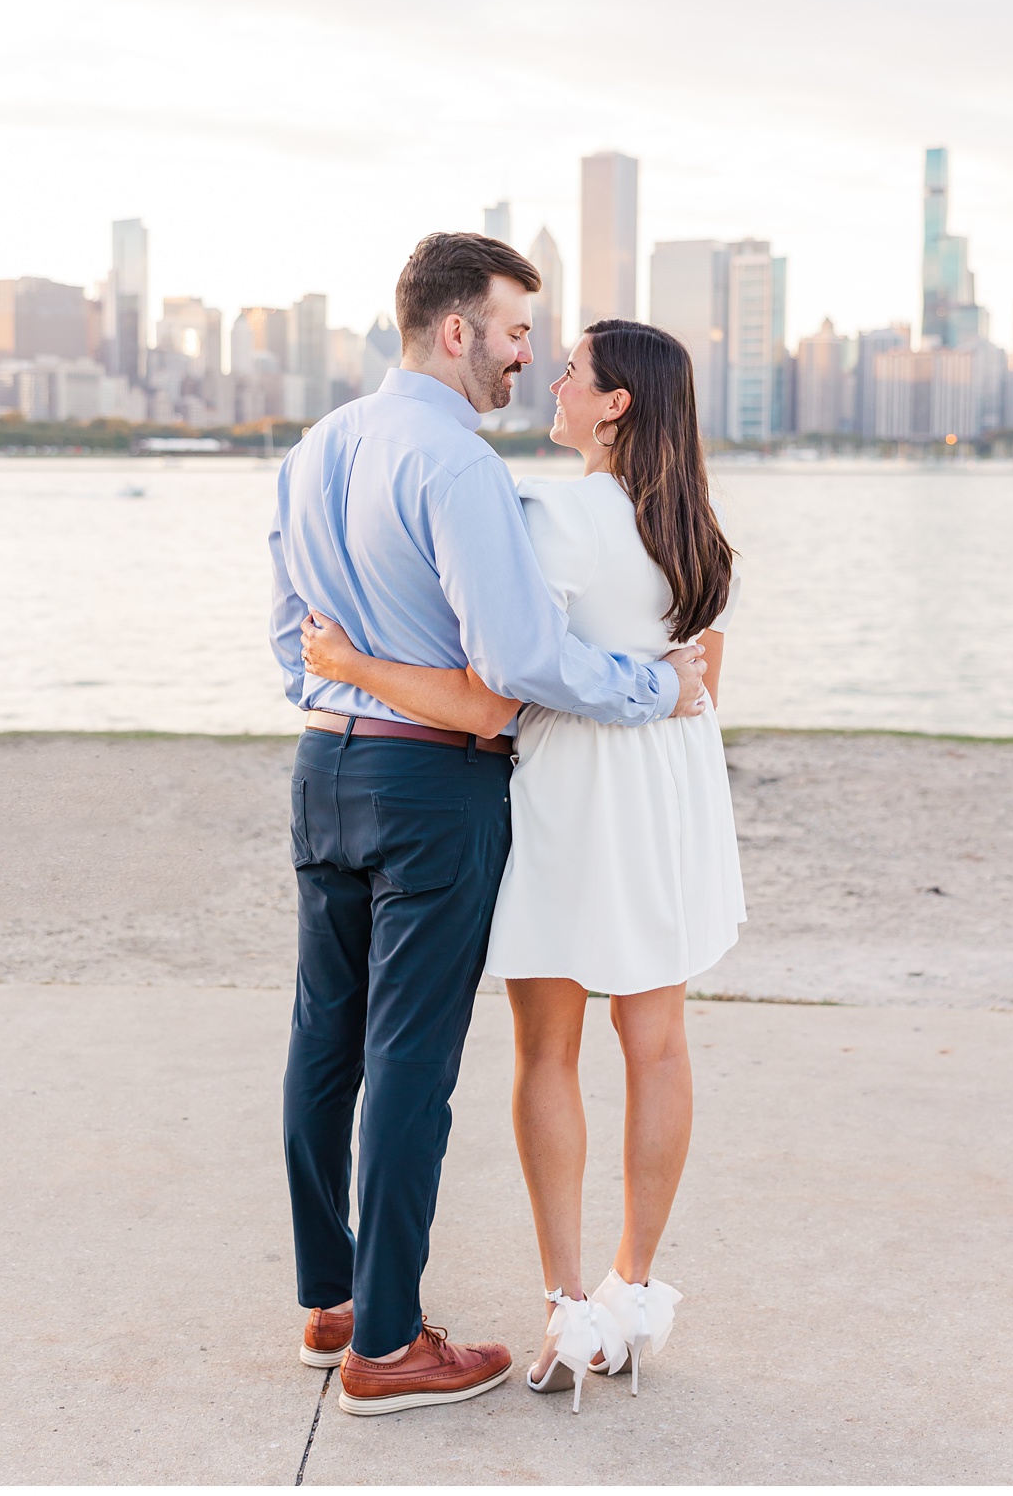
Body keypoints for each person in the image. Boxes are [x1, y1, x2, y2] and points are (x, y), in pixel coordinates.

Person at [269, 234, 707, 1418]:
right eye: (516, 331)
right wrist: (655, 687)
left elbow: (289, 644)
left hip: (324, 764)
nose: (524, 355)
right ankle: (388, 1343)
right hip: (431, 783)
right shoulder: (460, 465)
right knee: (410, 1059)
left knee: (324, 1042)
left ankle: (333, 1302)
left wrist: (354, 679)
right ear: (457, 328)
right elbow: (515, 665)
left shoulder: (314, 448)